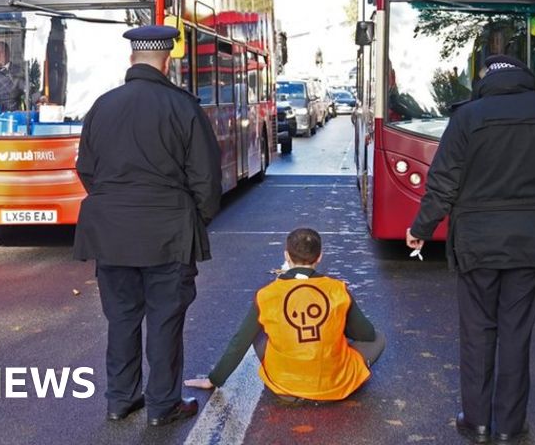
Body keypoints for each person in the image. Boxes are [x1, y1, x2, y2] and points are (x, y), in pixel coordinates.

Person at [406, 54, 535, 445]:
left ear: (484, 78)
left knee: (477, 331)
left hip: (478, 240)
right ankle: (508, 426)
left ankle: (477, 422)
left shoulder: (468, 117)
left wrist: (421, 228)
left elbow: (444, 181)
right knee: (516, 333)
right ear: (523, 75)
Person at [73, 25, 222, 426]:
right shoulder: (183, 107)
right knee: (164, 319)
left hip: (111, 232)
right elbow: (207, 180)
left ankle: (120, 400)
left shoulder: (101, 106)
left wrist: (114, 204)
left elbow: (86, 168)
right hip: (168, 232)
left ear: (132, 59)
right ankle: (162, 405)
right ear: (167, 61)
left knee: (121, 318)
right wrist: (193, 219)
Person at [183, 228, 384, 402]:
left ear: (287, 256)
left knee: (257, 333)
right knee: (379, 338)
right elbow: (366, 334)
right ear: (320, 256)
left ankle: (288, 378)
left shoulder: (267, 294)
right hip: (335, 385)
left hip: (286, 389)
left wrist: (213, 379)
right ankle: (341, 376)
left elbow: (239, 342)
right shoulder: (338, 289)